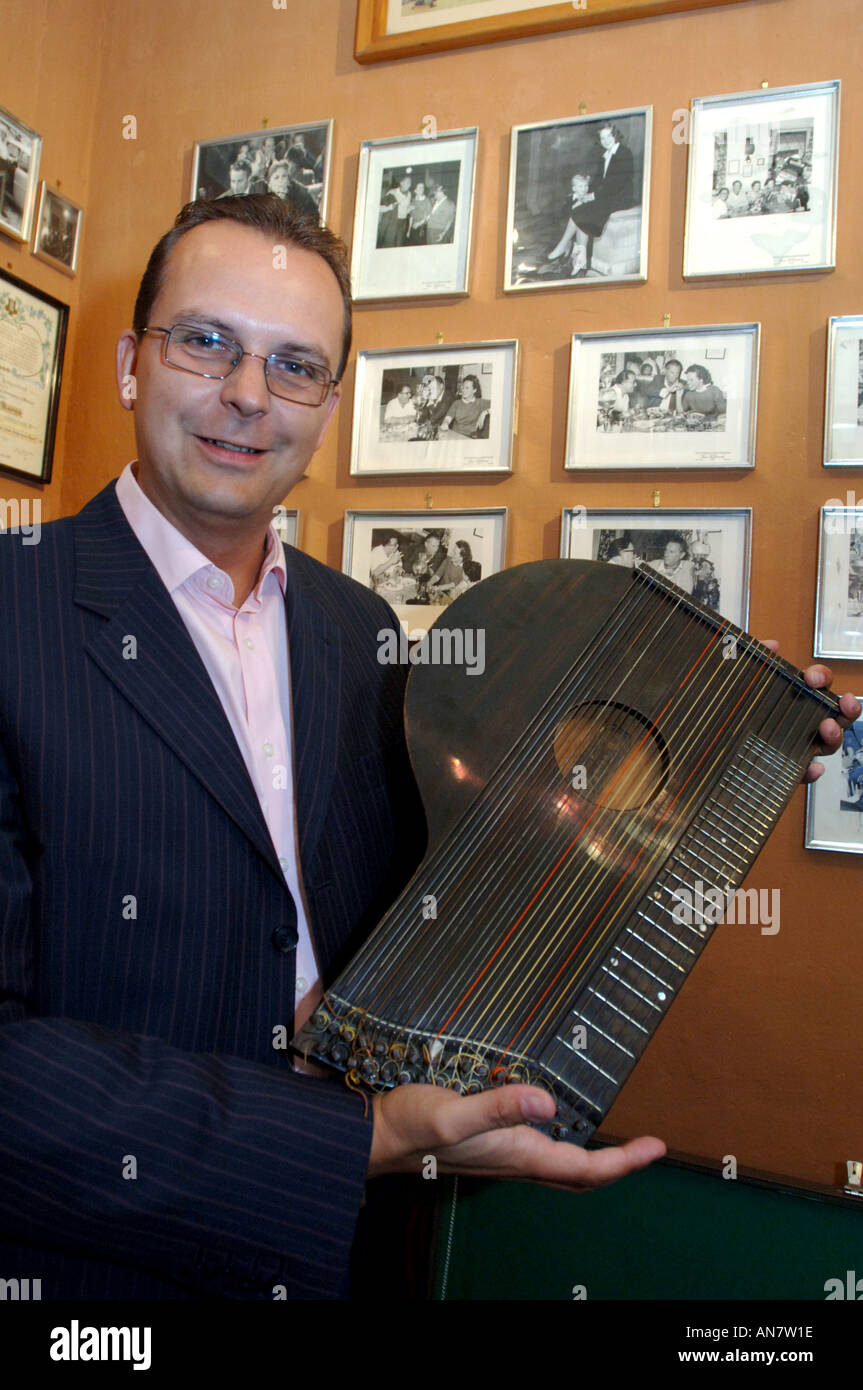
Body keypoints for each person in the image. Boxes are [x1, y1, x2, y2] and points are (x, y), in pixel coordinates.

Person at [0, 193, 853, 1303]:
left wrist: (713, 759)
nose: (248, 394)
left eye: (295, 365)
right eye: (206, 342)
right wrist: (347, 1139)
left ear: (330, 403)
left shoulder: (357, 632)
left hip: (357, 1254)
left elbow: (445, 902)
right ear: (127, 362)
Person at [547, 123, 635, 275]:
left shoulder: (624, 153)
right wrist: (584, 194)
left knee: (584, 211)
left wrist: (591, 196)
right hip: (608, 195)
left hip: (621, 198)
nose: (606, 140)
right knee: (577, 207)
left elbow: (616, 184)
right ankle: (580, 260)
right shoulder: (605, 155)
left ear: (615, 135)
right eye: (602, 137)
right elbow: (599, 181)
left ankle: (563, 246)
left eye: (609, 136)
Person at [425, 179, 456, 244]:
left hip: (438, 231)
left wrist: (443, 234)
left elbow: (449, 221)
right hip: (430, 230)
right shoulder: (436, 202)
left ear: (442, 192)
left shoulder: (449, 204)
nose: (434, 193)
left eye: (436, 191)